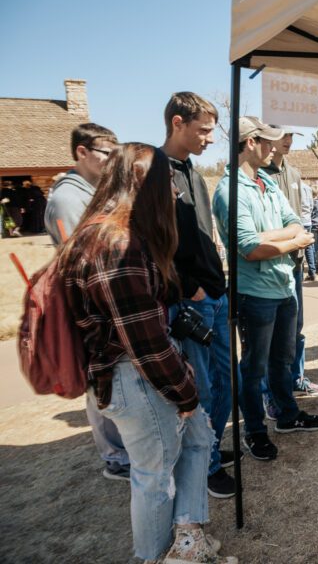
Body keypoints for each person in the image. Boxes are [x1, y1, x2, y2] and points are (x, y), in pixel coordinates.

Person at [59, 144, 237, 563]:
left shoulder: (120, 236)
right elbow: (145, 342)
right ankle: (156, 556)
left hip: (146, 374)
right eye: (167, 184)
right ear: (144, 186)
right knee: (154, 476)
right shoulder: (114, 244)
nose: (175, 192)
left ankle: (187, 541)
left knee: (199, 443)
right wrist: (186, 394)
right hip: (136, 379)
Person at [212, 116, 318, 462]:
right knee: (254, 368)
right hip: (255, 292)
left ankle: (288, 416)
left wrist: (276, 236)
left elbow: (295, 222)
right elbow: (250, 247)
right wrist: (290, 239)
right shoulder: (228, 190)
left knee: (283, 359)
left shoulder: (265, 180)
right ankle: (254, 431)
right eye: (268, 141)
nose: (274, 146)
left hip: (283, 286)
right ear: (251, 142)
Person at [162, 92, 238, 499]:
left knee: (230, 381)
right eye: (203, 130)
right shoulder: (155, 172)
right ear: (178, 123)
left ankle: (209, 447)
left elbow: (203, 235)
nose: (210, 138)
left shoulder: (192, 169)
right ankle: (204, 466)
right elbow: (153, 245)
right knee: (203, 390)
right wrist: (184, 288)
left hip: (216, 292)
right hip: (191, 301)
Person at [44, 122, 129, 482]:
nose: (112, 161)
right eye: (105, 154)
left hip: (111, 299)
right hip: (90, 308)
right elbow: (77, 258)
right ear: (82, 152)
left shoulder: (96, 191)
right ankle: (114, 456)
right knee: (100, 380)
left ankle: (123, 446)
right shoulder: (67, 198)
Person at [261, 126, 318, 401]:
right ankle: (271, 392)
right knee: (270, 334)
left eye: (291, 136)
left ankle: (297, 378)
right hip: (270, 262)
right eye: (283, 135)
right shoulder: (259, 174)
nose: (287, 141)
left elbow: (301, 214)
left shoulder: (295, 174)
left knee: (295, 326)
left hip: (295, 260)